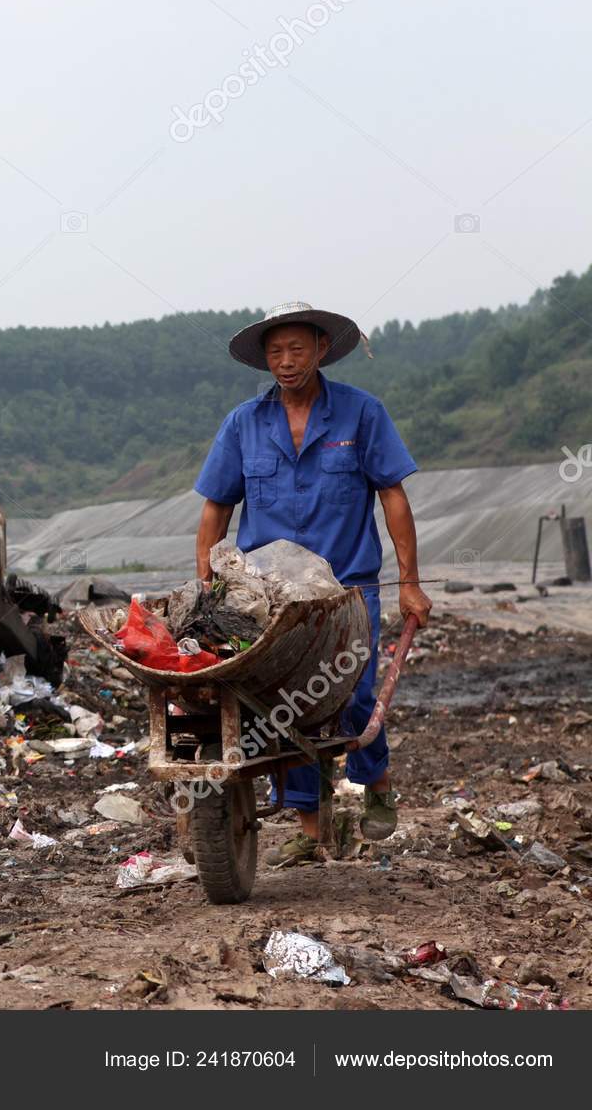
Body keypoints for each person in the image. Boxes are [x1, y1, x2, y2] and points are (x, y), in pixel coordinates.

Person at [193, 302, 431, 866]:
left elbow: (394, 496)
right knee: (284, 702)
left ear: (321, 349)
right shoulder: (243, 423)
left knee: (354, 693)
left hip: (348, 589)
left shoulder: (360, 414)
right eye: (275, 352)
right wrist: (205, 583)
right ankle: (309, 825)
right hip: (269, 597)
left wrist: (410, 582)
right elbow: (215, 508)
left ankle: (376, 782)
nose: (286, 361)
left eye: (297, 349)